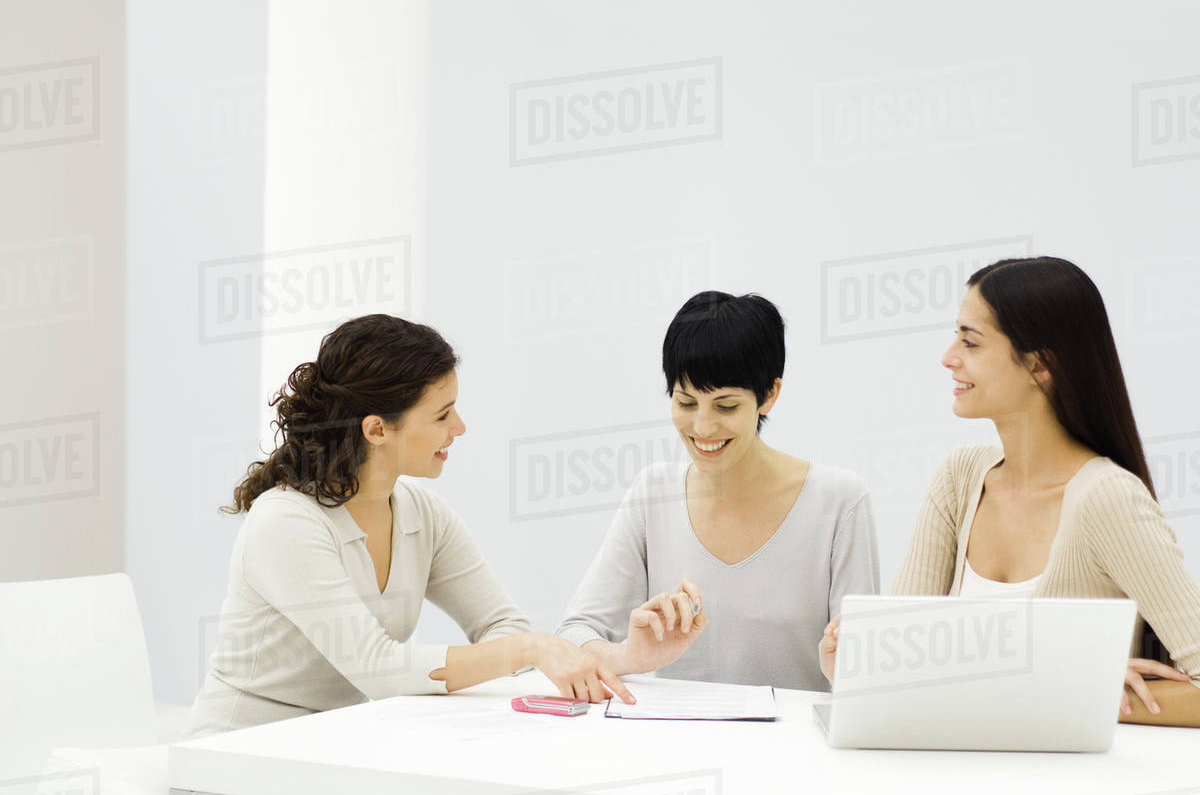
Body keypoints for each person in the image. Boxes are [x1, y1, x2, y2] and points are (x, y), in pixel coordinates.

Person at [186, 314, 665, 737]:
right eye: (441, 414)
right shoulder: (286, 523)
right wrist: (530, 649)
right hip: (237, 756)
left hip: (340, 745)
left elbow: (500, 626)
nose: (459, 427)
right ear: (376, 430)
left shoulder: (421, 513)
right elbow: (380, 670)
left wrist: (605, 657)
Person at [818, 257, 1200, 726]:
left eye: (970, 341)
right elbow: (898, 666)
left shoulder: (1107, 498)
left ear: (1040, 365)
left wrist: (1085, 689)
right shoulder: (960, 478)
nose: (948, 357)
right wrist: (855, 669)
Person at [558, 291, 880, 691]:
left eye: (725, 406)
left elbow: (864, 667)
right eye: (686, 402)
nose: (703, 428)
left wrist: (851, 670)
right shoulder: (653, 494)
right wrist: (629, 656)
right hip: (673, 747)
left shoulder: (839, 502)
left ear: (769, 395)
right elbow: (574, 634)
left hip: (792, 751)